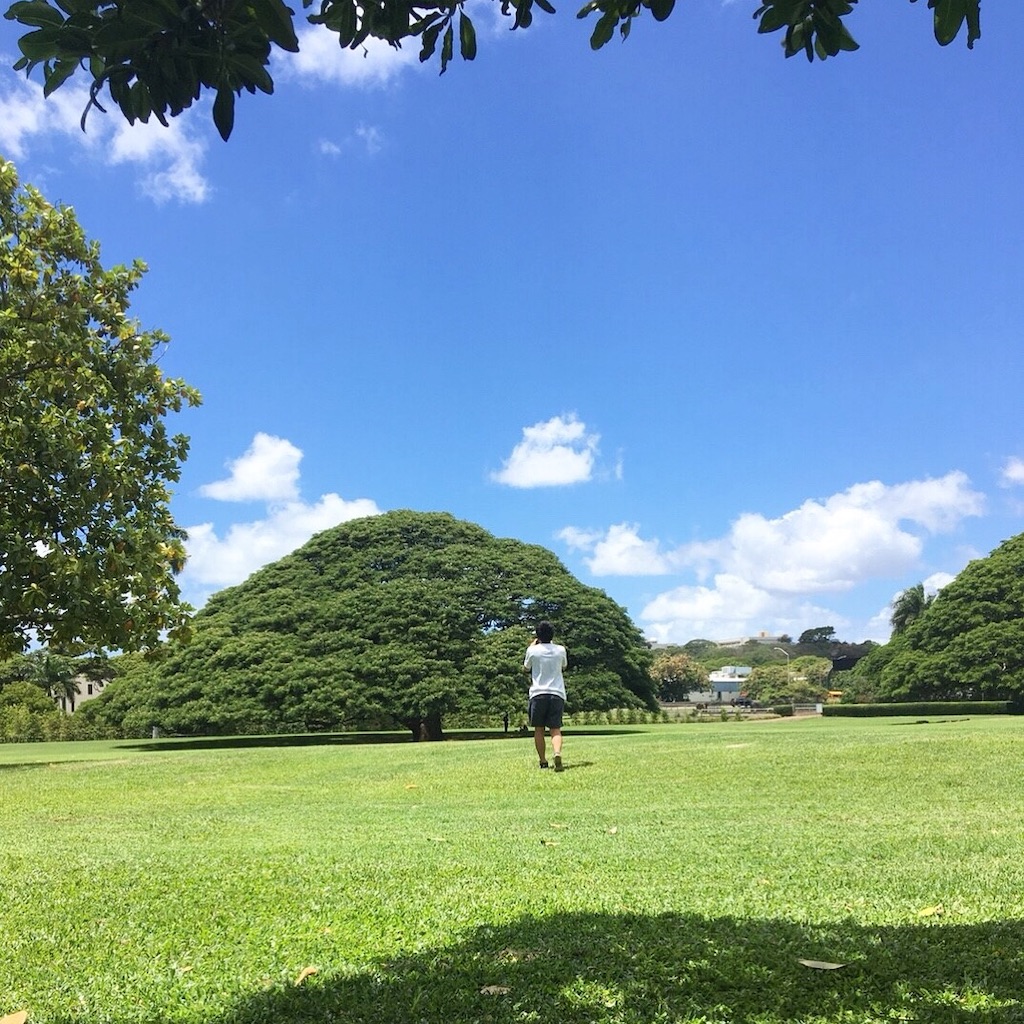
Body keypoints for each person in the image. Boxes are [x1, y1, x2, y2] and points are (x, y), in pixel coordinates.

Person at [523, 621, 568, 771]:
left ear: (538, 635)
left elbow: (526, 668)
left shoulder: (533, 650)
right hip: (556, 693)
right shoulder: (560, 650)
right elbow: (564, 666)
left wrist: (531, 647)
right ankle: (557, 753)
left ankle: (543, 761)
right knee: (555, 728)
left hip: (538, 693)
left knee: (539, 729)